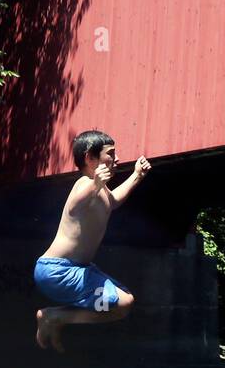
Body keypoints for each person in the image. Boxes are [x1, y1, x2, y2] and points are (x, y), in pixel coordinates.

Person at [33, 130, 151, 353]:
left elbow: (112, 202)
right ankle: (55, 316)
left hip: (80, 270)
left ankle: (58, 317)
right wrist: (95, 183)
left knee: (122, 304)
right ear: (90, 158)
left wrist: (136, 175)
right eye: (111, 154)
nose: (116, 159)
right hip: (57, 273)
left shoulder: (101, 190)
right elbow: (75, 206)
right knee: (122, 302)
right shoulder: (83, 184)